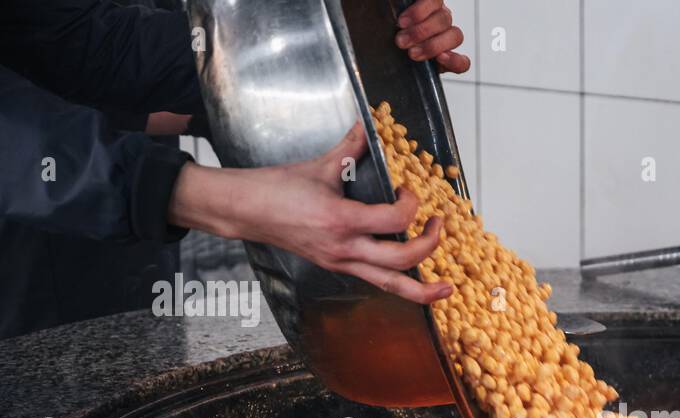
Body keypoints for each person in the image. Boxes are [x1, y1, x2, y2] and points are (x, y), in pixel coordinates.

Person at [0, 0, 470, 339]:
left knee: (122, 392)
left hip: (133, 238)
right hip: (35, 236)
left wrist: (351, 40)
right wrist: (175, 190)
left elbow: (87, 43)